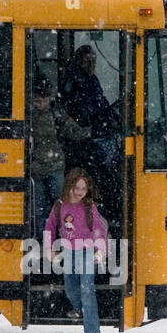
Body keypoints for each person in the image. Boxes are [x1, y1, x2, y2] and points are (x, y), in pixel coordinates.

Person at [43, 167, 107, 333]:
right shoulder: (60, 206)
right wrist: (49, 248)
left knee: (87, 290)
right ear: (69, 186)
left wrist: (99, 250)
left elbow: (98, 230)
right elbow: (50, 226)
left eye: (84, 189)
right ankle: (83, 312)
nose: (80, 192)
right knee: (71, 290)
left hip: (87, 252)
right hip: (69, 252)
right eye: (77, 188)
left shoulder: (89, 207)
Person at [58, 45, 122, 214]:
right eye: (88, 61)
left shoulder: (90, 79)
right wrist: (103, 121)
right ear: (79, 61)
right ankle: (107, 210)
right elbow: (85, 111)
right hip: (84, 141)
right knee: (104, 176)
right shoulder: (75, 81)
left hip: (94, 136)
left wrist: (112, 116)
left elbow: (101, 103)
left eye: (94, 61)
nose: (91, 64)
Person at [30, 74, 89, 235]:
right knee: (44, 209)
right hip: (40, 169)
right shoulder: (31, 116)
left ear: (49, 98)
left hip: (51, 168)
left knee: (57, 207)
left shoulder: (54, 114)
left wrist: (87, 132)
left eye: (42, 99)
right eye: (36, 99)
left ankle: (60, 237)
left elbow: (73, 130)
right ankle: (49, 239)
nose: (39, 103)